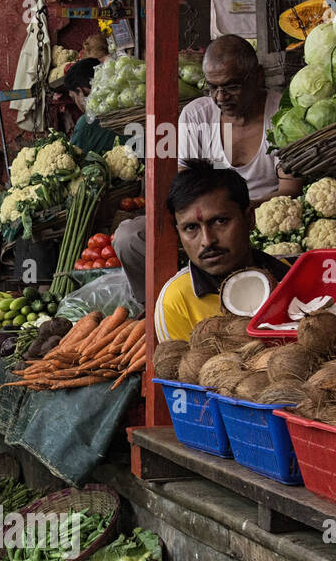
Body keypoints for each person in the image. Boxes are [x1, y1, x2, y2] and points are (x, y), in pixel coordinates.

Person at [115, 35, 302, 307]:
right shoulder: (197, 115)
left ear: (257, 77)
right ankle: (158, 310)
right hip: (203, 215)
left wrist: (240, 212)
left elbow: (290, 188)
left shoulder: (283, 113)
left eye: (230, 86)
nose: (220, 97)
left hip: (260, 218)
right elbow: (184, 184)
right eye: (212, 88)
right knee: (130, 237)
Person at [155, 160, 291, 342]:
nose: (207, 241)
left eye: (220, 221)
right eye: (191, 228)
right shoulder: (177, 300)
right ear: (178, 232)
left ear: (249, 218)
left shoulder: (290, 278)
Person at [58, 57, 123, 156]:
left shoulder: (86, 123)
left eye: (73, 98)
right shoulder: (125, 104)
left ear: (81, 91)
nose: (75, 103)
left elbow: (72, 157)